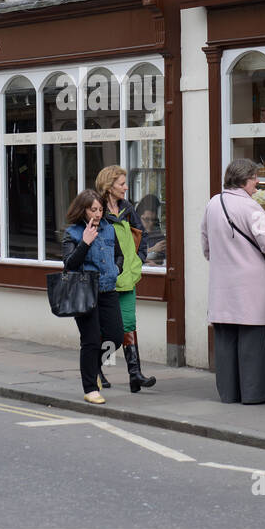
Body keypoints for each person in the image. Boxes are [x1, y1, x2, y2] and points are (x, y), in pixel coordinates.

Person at [200, 158, 265, 405]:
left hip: (221, 284)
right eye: (254, 178)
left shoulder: (213, 204)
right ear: (243, 180)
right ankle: (254, 393)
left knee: (225, 342)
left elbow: (206, 246)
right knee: (252, 343)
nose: (257, 182)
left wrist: (224, 258)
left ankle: (229, 393)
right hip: (250, 284)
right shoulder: (252, 208)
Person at [61, 189, 125, 405]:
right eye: (93, 210)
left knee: (115, 337)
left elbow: (119, 255)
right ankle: (90, 388)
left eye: (100, 209)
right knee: (90, 340)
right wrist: (85, 242)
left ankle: (93, 367)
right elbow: (69, 264)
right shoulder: (73, 233)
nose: (97, 214)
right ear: (83, 211)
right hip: (84, 292)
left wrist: (116, 269)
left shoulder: (108, 229)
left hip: (108, 290)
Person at [96, 165, 156, 393]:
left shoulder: (126, 207)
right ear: (109, 186)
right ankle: (97, 369)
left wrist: (138, 259)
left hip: (128, 277)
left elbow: (142, 233)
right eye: (121, 183)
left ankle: (134, 375)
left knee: (129, 325)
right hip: (108, 280)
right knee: (112, 330)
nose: (125, 187)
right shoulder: (97, 208)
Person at [136, 193, 166, 266]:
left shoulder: (157, 235)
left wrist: (159, 266)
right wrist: (152, 249)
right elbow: (128, 257)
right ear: (139, 218)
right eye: (146, 219)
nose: (150, 223)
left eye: (153, 220)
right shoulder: (131, 233)